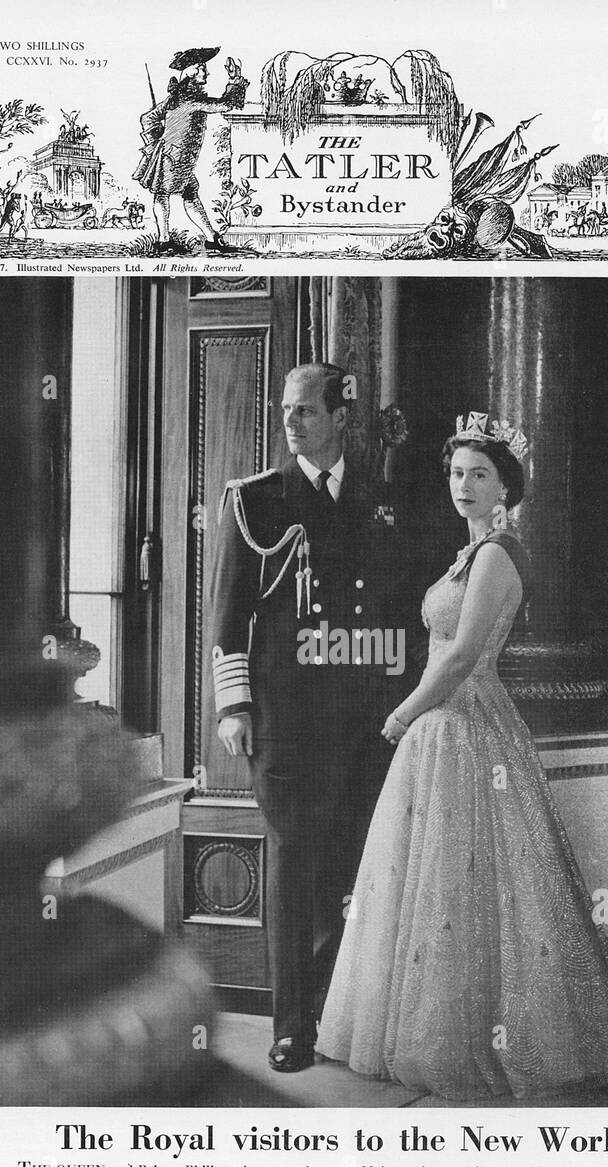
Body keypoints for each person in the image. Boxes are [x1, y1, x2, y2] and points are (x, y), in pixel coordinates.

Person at [317, 414, 608, 1101]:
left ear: (504, 489)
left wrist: (404, 712)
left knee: (473, 878)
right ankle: (418, 1030)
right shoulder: (467, 554)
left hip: (466, 724)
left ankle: (480, 1040)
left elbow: (463, 655)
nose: (462, 486)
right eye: (456, 473)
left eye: (478, 475)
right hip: (443, 728)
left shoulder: (497, 554)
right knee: (433, 875)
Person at [210, 363, 413, 1073]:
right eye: (287, 410)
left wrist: (404, 701)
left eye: (305, 410)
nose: (291, 422)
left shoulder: (381, 498)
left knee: (353, 868)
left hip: (366, 721)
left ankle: (336, 1010)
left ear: (338, 417)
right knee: (295, 871)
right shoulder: (256, 501)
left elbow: (401, 613)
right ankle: (292, 1025)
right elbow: (227, 616)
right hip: (287, 724)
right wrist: (233, 705)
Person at [133, 46, 245, 251]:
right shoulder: (191, 99)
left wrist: (157, 138)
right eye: (202, 68)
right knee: (165, 193)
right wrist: (235, 81)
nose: (207, 72)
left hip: (177, 157)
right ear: (192, 71)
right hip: (173, 159)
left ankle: (210, 238)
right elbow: (226, 105)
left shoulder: (178, 98)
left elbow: (148, 117)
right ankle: (164, 241)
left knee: (186, 194)